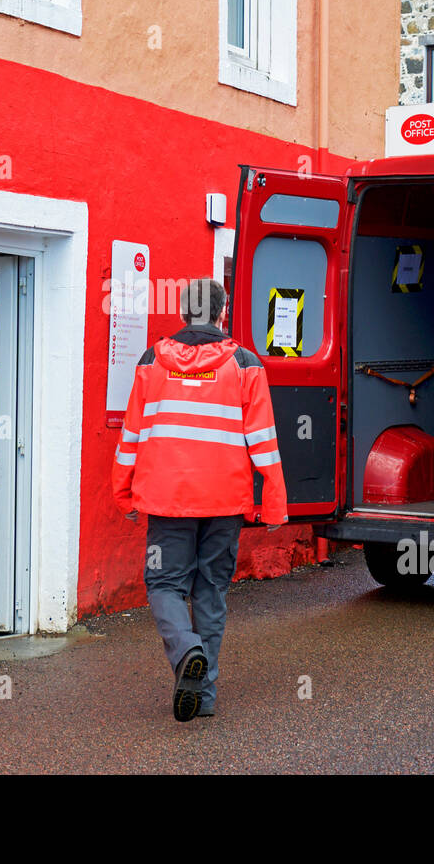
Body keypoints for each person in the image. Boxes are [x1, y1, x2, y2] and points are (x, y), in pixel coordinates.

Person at [112, 278, 288, 722]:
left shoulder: (152, 361)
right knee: (210, 591)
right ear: (221, 311)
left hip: (167, 500)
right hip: (226, 502)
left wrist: (123, 491)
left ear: (183, 313)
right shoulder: (246, 364)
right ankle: (203, 695)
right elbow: (265, 443)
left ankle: (187, 651)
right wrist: (274, 505)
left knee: (164, 586)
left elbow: (132, 433)